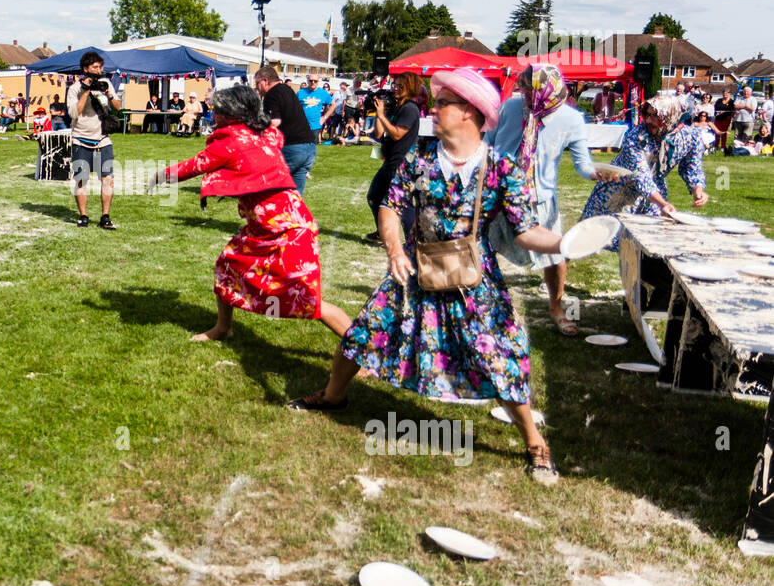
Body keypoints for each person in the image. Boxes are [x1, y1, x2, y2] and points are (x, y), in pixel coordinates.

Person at [288, 68, 564, 484]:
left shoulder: (501, 168)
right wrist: (395, 249)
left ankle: (535, 443)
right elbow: (389, 206)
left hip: (474, 278)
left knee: (501, 356)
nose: (434, 109)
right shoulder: (420, 158)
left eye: (444, 103)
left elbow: (526, 230)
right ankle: (333, 395)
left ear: (470, 112)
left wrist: (566, 243)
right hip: (416, 268)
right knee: (363, 333)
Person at [150, 84, 351, 344]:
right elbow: (268, 144)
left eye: (219, 110)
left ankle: (362, 352)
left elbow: (193, 166)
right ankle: (224, 328)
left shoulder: (231, 141)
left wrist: (159, 176)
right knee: (227, 266)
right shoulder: (266, 133)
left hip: (289, 228)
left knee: (308, 299)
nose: (214, 113)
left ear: (233, 113)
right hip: (267, 225)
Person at [489, 64, 601, 336]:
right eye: (523, 87)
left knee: (556, 254)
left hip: (540, 198)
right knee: (483, 248)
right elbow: (488, 141)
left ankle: (556, 307)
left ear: (548, 89)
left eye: (530, 88)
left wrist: (596, 174)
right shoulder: (510, 108)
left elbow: (581, 163)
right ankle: (488, 306)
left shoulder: (572, 119)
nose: (524, 93)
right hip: (498, 190)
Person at [580, 93, 708, 247]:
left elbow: (692, 167)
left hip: (655, 194)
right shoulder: (636, 136)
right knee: (592, 238)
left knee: (651, 243)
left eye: (655, 116)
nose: (648, 120)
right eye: (647, 115)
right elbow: (641, 176)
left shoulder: (690, 137)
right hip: (619, 188)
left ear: (670, 117)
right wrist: (662, 204)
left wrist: (697, 190)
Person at [364, 73, 422, 242]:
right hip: (390, 162)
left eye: (399, 85)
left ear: (409, 87)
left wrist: (382, 115)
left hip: (402, 163)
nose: (394, 88)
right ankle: (383, 233)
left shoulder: (410, 108)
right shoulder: (397, 107)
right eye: (394, 84)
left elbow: (397, 134)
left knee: (404, 204)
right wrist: (378, 113)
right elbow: (380, 133)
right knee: (374, 196)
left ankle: (414, 241)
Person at [67, 52, 121, 229]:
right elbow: (75, 113)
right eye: (95, 68)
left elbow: (118, 107)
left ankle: (105, 216)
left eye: (100, 67)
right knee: (81, 179)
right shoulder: (75, 88)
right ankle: (83, 216)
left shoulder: (106, 84)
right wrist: (86, 90)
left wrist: (108, 94)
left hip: (103, 139)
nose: (99, 70)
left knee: (107, 179)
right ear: (85, 69)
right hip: (81, 139)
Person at [255, 66, 316, 193]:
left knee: (269, 189)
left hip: (292, 148)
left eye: (257, 83)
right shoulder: (287, 89)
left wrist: (255, 130)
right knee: (295, 197)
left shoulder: (271, 94)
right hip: (309, 147)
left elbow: (274, 121)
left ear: (265, 81)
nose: (256, 87)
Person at [297, 74, 336, 145]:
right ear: (307, 81)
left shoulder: (323, 93)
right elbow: (294, 106)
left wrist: (325, 117)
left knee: (311, 149)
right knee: (300, 148)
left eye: (315, 81)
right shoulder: (300, 92)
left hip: (315, 125)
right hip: (301, 125)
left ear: (318, 82)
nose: (313, 82)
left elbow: (333, 105)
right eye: (311, 81)